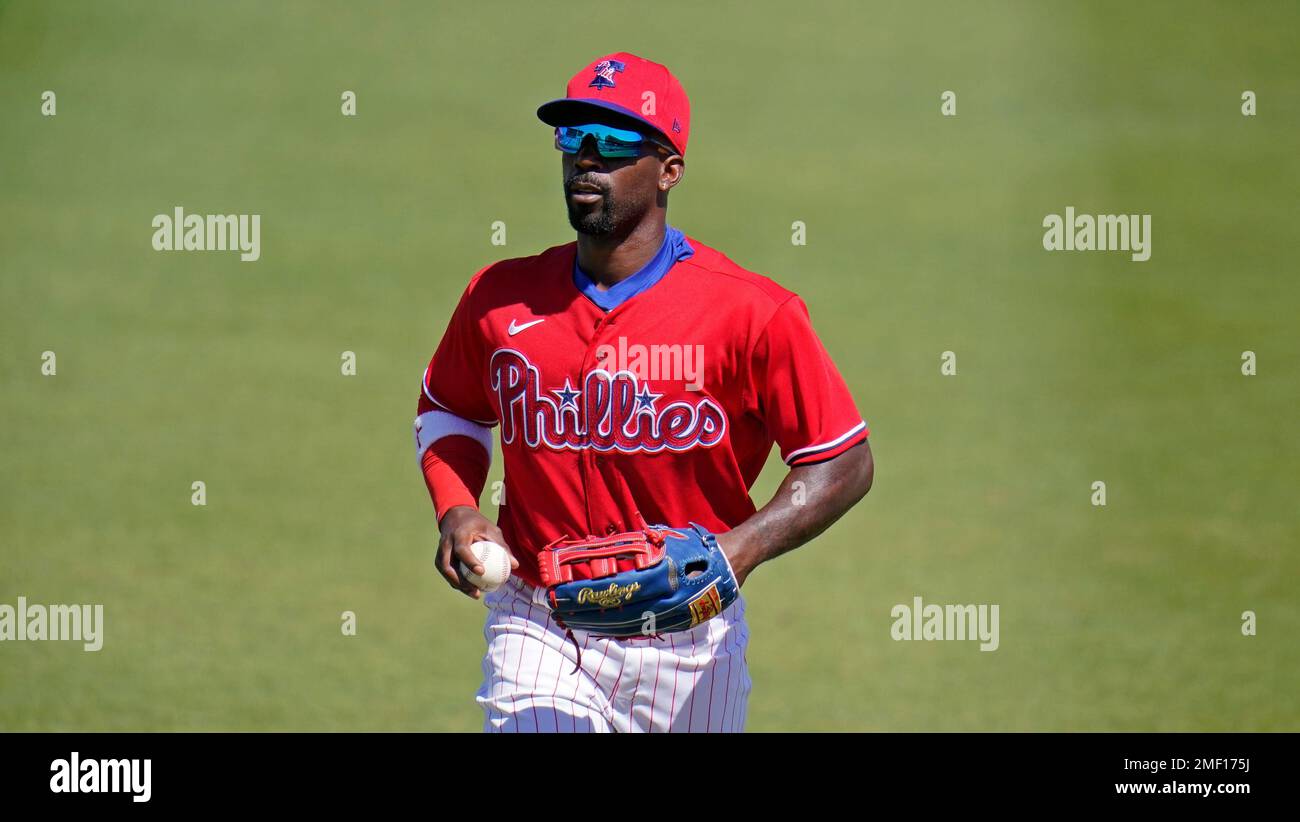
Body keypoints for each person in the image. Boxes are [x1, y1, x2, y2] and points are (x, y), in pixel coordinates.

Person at [414, 52, 874, 732]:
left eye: (616, 141)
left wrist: (740, 548)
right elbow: (451, 406)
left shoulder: (750, 312)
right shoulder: (499, 298)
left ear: (669, 169)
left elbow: (842, 460)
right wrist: (456, 507)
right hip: (542, 623)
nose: (587, 160)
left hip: (691, 639)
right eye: (574, 138)